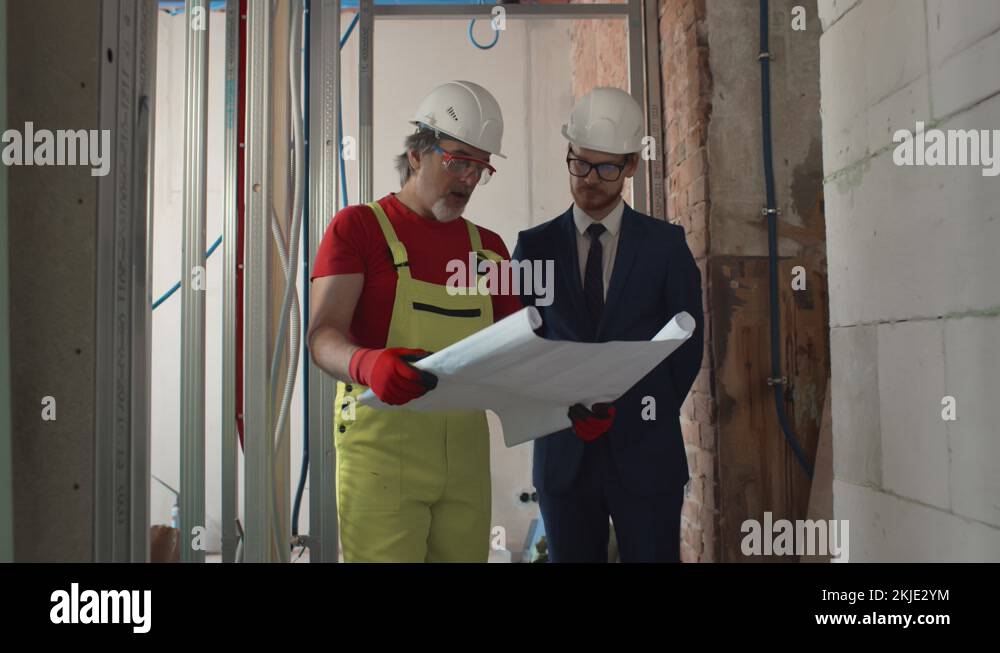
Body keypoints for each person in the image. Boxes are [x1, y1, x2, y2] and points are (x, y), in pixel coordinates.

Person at [308, 81, 521, 562]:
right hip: (383, 450)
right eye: (458, 160)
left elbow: (515, 356)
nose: (468, 178)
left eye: (480, 167)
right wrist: (368, 365)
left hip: (465, 452)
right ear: (418, 152)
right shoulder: (358, 227)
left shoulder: (490, 249)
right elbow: (322, 337)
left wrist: (571, 402)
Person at [512, 87, 704, 562]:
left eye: (606, 168)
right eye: (580, 163)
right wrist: (565, 406)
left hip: (646, 455)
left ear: (632, 166)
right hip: (563, 457)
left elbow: (685, 348)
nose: (590, 180)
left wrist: (639, 408)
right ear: (568, 154)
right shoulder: (533, 248)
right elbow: (520, 346)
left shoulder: (665, 246)